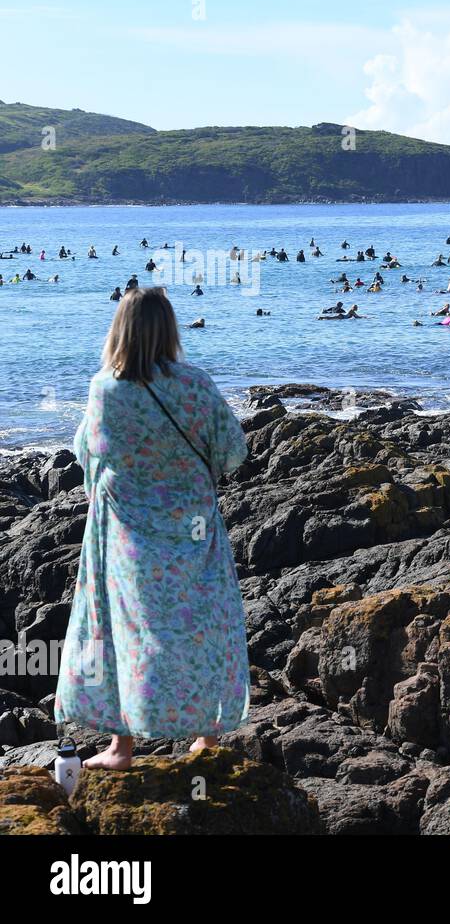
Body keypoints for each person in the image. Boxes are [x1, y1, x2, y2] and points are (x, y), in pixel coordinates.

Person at [54, 287, 250, 769]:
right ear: (170, 330)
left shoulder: (106, 388)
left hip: (128, 537)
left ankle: (122, 748)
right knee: (202, 625)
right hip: (194, 531)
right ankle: (207, 739)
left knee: (121, 629)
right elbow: (233, 452)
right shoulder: (195, 384)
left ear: (118, 330)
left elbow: (87, 452)